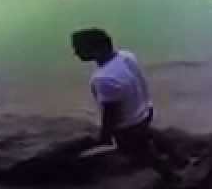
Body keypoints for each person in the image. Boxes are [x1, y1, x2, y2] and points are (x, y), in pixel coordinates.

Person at [71, 28, 180, 182]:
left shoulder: (103, 78)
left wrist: (105, 136)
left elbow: (111, 113)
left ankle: (172, 177)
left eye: (79, 48)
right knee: (148, 133)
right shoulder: (126, 56)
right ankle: (179, 159)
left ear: (97, 49)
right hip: (144, 109)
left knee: (141, 153)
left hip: (128, 126)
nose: (76, 53)